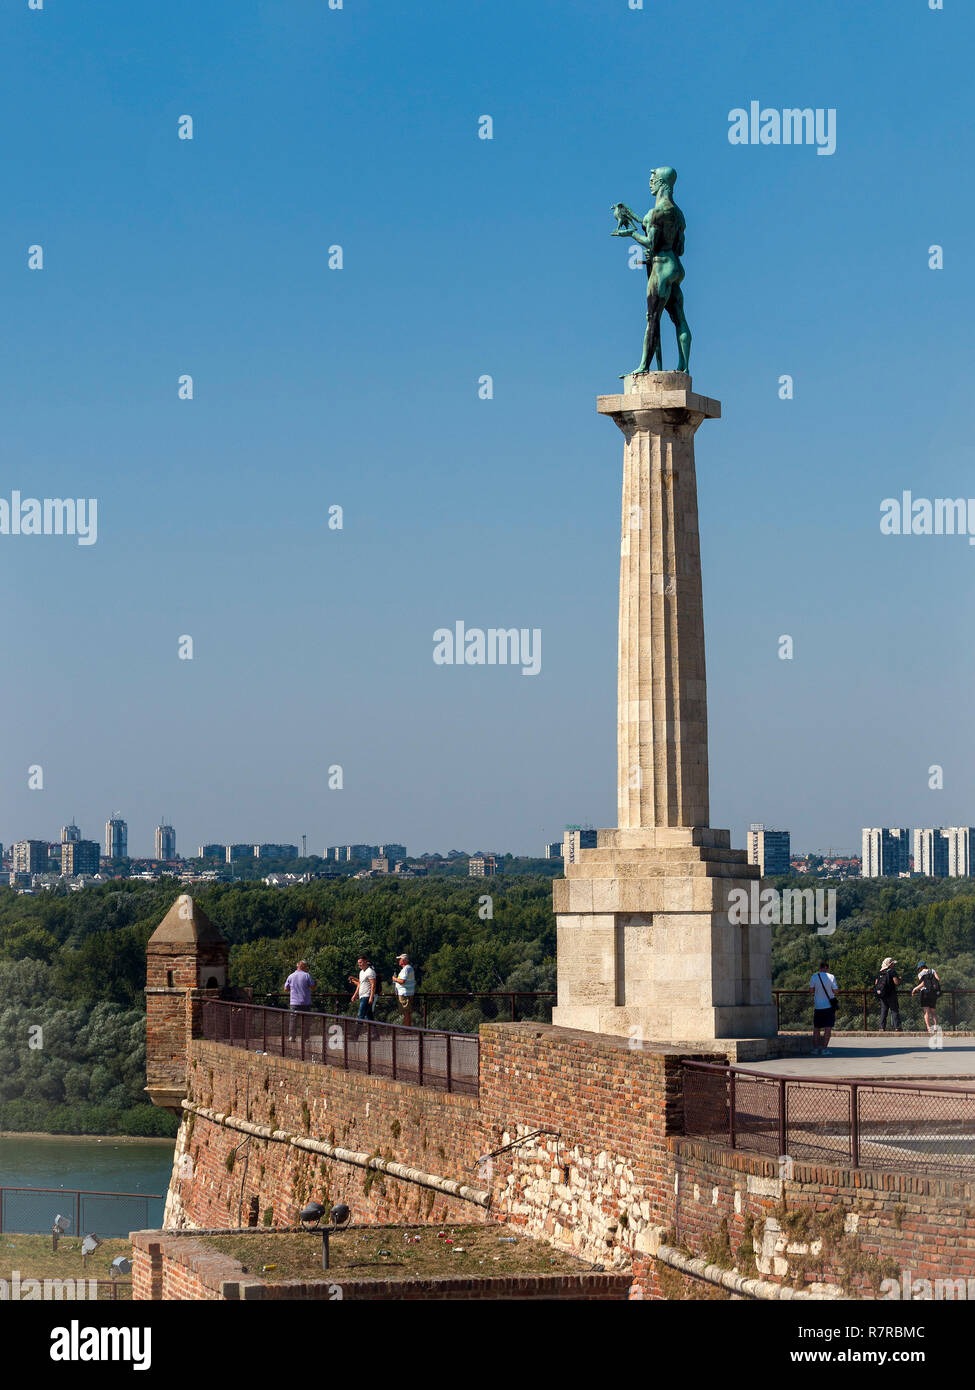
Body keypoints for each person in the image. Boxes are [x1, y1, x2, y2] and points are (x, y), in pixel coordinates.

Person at [809, 960, 839, 1056]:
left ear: (820, 968)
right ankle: (824, 1049)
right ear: (827, 968)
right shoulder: (831, 977)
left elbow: (811, 990)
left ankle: (815, 1048)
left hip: (818, 1006)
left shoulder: (814, 977)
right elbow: (835, 991)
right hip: (829, 1007)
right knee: (828, 1029)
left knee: (816, 1028)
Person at [284, 959, 315, 1040]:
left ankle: (291, 1037)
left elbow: (285, 988)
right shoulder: (307, 975)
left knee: (293, 1021)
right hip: (305, 1002)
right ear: (303, 967)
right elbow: (312, 986)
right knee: (306, 1021)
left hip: (294, 1002)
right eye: (306, 967)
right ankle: (305, 1037)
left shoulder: (291, 976)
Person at [911, 961, 942, 1033]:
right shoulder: (932, 970)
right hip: (933, 993)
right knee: (933, 1012)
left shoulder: (920, 974)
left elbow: (923, 983)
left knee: (926, 1012)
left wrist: (915, 989)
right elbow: (938, 980)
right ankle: (935, 1027)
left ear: (920, 967)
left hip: (925, 993)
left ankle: (928, 1028)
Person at [874, 957, 902, 1032]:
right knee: (894, 1010)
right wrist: (900, 979)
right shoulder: (892, 972)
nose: (894, 965)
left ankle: (881, 1027)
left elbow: (876, 983)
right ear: (890, 964)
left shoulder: (880, 972)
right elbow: (896, 982)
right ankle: (897, 1027)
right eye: (893, 964)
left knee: (883, 1011)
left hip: (882, 995)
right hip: (891, 994)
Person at [349, 955, 376, 1021]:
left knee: (360, 1015)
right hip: (362, 996)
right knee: (369, 1016)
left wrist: (371, 997)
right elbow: (359, 984)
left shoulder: (370, 971)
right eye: (358, 963)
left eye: (361, 962)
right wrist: (355, 995)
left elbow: (373, 984)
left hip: (367, 996)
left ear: (366, 961)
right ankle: (374, 1031)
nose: (359, 964)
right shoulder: (361, 972)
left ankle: (357, 1031)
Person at [392, 952, 416, 1026]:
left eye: (400, 959)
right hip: (406, 993)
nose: (399, 961)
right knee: (406, 1012)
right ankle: (407, 1028)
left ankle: (407, 1029)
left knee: (406, 1012)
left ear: (404, 960)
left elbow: (402, 981)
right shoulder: (408, 968)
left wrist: (394, 979)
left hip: (405, 994)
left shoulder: (406, 969)